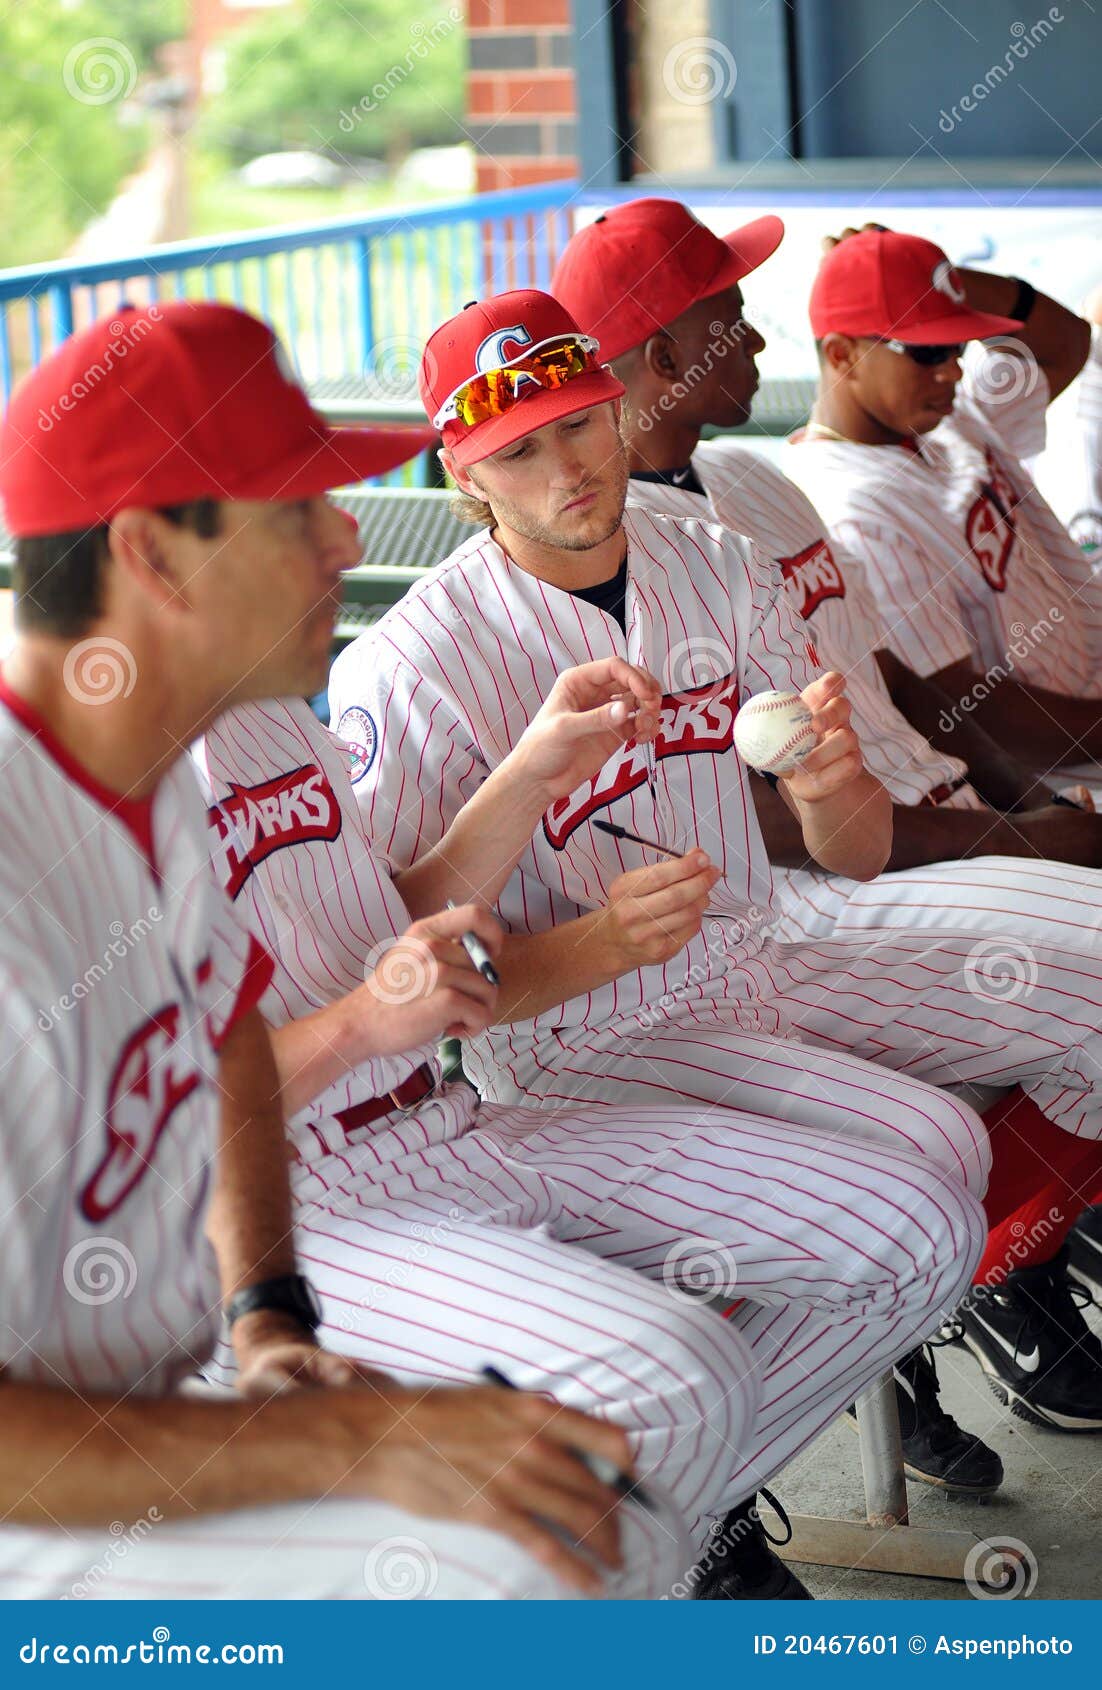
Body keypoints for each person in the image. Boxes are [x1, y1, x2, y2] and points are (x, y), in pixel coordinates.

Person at [0, 299, 702, 1602]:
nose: (348, 536)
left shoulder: (146, 768)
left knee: (595, 1523)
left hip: (156, 1396)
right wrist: (337, 1434)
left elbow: (223, 1052)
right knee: (539, 1552)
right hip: (41, 1522)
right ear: (153, 552)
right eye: (296, 510)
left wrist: (272, 1317)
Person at [549, 197, 1102, 1454]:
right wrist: (1017, 842)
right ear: (649, 360)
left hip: (891, 829)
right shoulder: (608, 556)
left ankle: (983, 1274)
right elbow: (763, 820)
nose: (754, 335)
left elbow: (888, 697)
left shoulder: (747, 479)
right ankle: (967, 1291)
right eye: (721, 318)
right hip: (789, 900)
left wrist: (1016, 807)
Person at [783, 226, 1102, 788]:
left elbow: (1066, 342)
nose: (953, 369)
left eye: (958, 344)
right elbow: (966, 710)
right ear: (841, 354)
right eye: (927, 349)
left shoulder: (946, 414)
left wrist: (940, 281)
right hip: (1062, 772)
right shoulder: (851, 510)